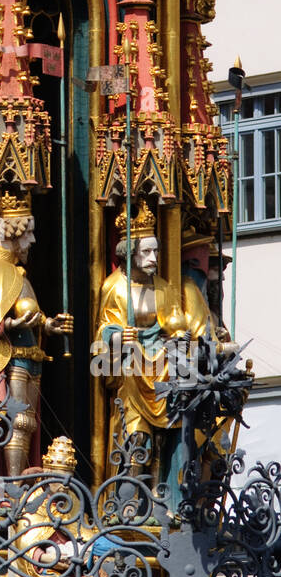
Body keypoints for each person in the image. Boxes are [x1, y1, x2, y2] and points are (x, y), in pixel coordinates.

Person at [0, 191, 72, 489]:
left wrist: (49, 325)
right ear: (14, 232)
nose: (33, 242)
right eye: (29, 234)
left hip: (30, 355)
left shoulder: (17, 273)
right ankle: (11, 484)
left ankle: (20, 481)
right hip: (8, 358)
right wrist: (9, 323)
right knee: (17, 420)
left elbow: (30, 314)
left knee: (28, 422)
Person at [95, 200, 189, 485]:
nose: (153, 258)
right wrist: (115, 336)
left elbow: (176, 321)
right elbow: (102, 329)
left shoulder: (163, 287)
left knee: (162, 439)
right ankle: (128, 497)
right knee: (135, 435)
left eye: (156, 251)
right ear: (129, 253)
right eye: (146, 252)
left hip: (161, 368)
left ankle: (158, 492)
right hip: (131, 371)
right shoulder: (114, 287)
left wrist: (180, 336)